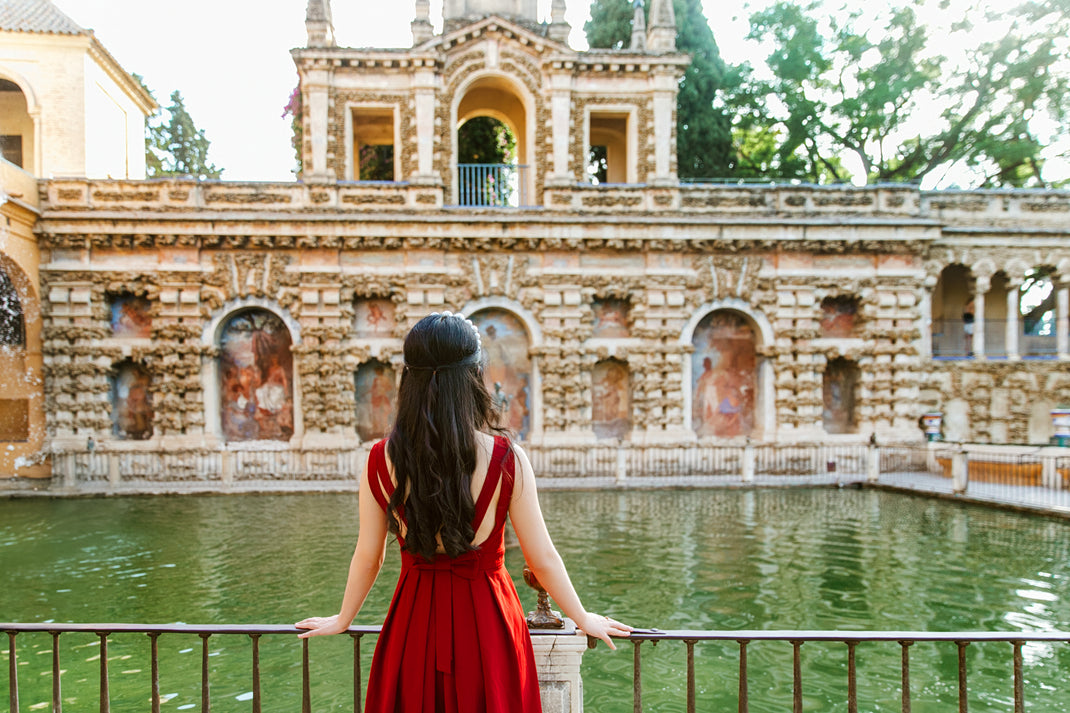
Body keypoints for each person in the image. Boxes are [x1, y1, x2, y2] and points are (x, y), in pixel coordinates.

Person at [296, 312, 631, 712]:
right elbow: (541, 558)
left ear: (410, 378)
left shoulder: (379, 459)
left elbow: (369, 555)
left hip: (413, 622)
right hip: (489, 622)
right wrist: (581, 616)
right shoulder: (507, 458)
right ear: (473, 378)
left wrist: (343, 618)